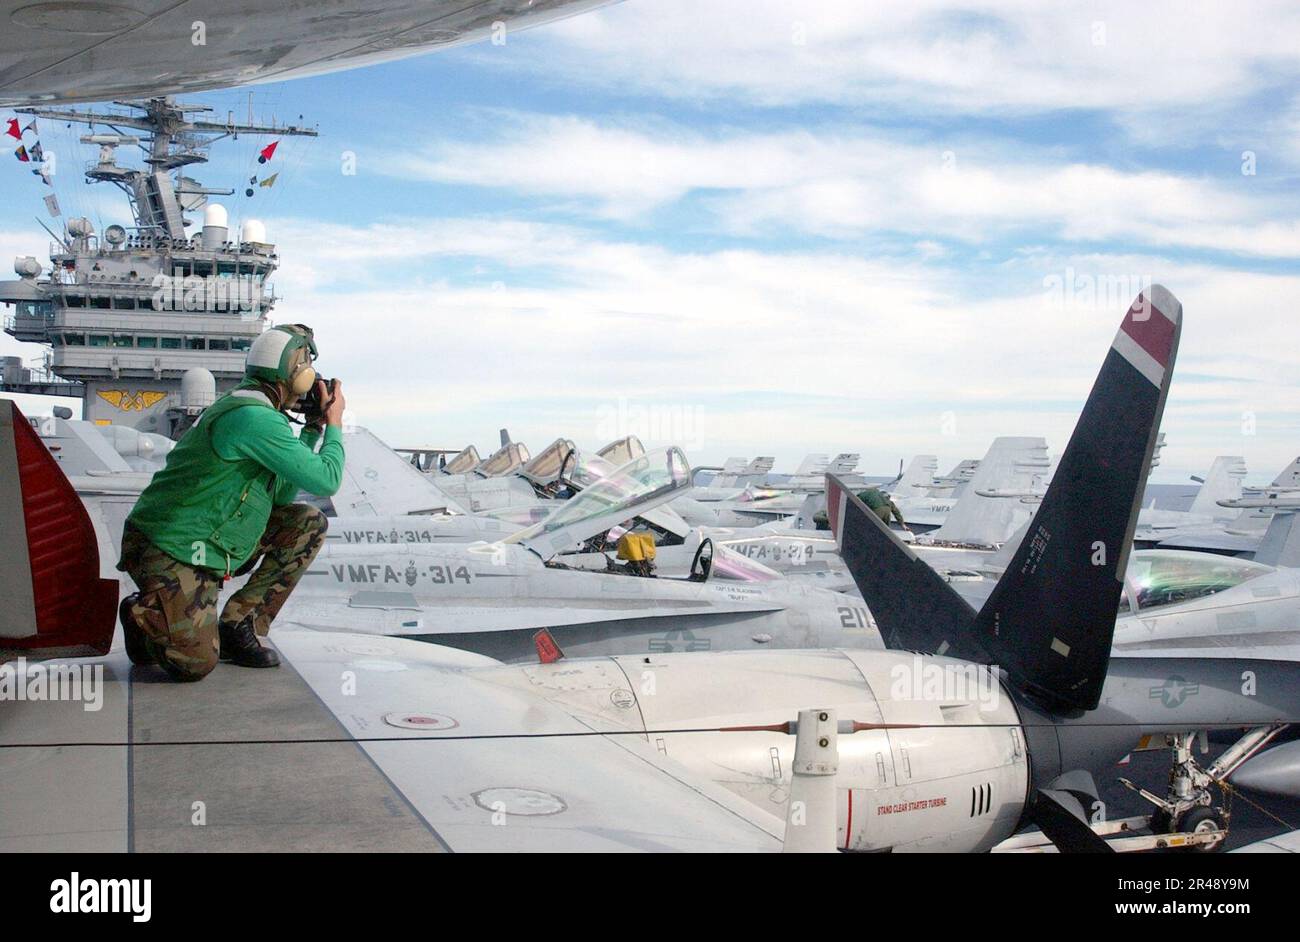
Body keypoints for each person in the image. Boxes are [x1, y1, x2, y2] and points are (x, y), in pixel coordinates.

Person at [117, 324, 345, 681]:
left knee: (306, 523)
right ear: (296, 373)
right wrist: (334, 424)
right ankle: (143, 614)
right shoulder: (254, 418)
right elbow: (326, 478)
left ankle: (239, 624)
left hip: (204, 537)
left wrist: (313, 428)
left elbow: (283, 494)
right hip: (168, 546)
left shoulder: (253, 411)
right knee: (194, 664)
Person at [813, 486, 911, 532]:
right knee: (885, 530)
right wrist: (903, 525)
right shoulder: (886, 500)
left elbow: (854, 503)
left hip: (877, 510)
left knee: (869, 527)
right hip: (887, 511)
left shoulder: (865, 495)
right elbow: (896, 512)